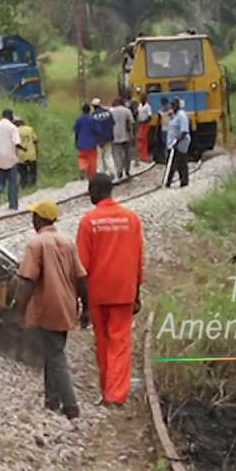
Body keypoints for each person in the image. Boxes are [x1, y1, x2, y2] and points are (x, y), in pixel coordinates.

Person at [16, 200, 89, 420]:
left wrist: (18, 308)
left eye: (34, 216)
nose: (32, 220)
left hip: (46, 306)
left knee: (55, 355)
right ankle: (52, 400)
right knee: (52, 350)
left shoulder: (35, 244)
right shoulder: (67, 242)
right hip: (67, 305)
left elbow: (27, 280)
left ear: (40, 219)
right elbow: (82, 277)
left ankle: (71, 406)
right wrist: (86, 307)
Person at [76, 174, 145, 407]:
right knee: (120, 341)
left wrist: (83, 303)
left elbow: (81, 266)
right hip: (124, 290)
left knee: (103, 342)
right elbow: (138, 258)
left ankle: (108, 391)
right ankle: (115, 394)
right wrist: (137, 292)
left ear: (95, 190)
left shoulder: (88, 221)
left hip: (97, 291)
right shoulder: (131, 219)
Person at [0, 109, 24, 210]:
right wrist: (23, 148)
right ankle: (13, 205)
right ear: (11, 117)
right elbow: (16, 142)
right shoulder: (13, 128)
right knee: (12, 183)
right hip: (10, 158)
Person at [166, 99, 191, 188]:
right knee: (181, 163)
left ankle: (168, 181)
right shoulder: (175, 115)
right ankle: (184, 181)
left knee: (175, 163)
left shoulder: (182, 116)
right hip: (174, 144)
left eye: (173, 106)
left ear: (177, 106)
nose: (172, 108)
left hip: (180, 144)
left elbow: (184, 131)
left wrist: (176, 141)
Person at [73, 102, 101, 180]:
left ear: (82, 110)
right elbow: (97, 131)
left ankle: (83, 167)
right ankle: (91, 175)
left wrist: (76, 142)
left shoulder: (79, 119)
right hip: (92, 143)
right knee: (92, 159)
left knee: (82, 157)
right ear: (89, 110)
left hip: (81, 143)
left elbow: (76, 131)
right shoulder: (93, 119)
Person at [109, 97, 135, 179]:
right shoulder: (127, 111)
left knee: (117, 154)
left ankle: (119, 171)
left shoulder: (111, 111)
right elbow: (131, 122)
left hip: (115, 135)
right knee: (127, 154)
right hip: (126, 135)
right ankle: (127, 170)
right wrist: (132, 134)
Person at [91, 98, 115, 176]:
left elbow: (94, 128)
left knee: (99, 157)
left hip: (99, 139)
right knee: (108, 155)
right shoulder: (108, 112)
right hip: (109, 138)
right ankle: (112, 172)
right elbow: (113, 123)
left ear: (94, 106)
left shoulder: (93, 115)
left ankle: (101, 173)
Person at [15, 115, 39, 188]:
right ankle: (32, 184)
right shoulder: (30, 129)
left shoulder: (15, 131)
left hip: (20, 154)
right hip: (31, 153)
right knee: (33, 170)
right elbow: (35, 140)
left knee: (23, 172)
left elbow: (15, 143)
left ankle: (23, 184)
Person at [136, 98, 153, 163]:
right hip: (140, 123)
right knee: (140, 139)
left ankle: (145, 155)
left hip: (145, 124)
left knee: (144, 139)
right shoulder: (140, 105)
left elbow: (149, 116)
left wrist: (144, 121)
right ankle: (141, 155)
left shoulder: (147, 106)